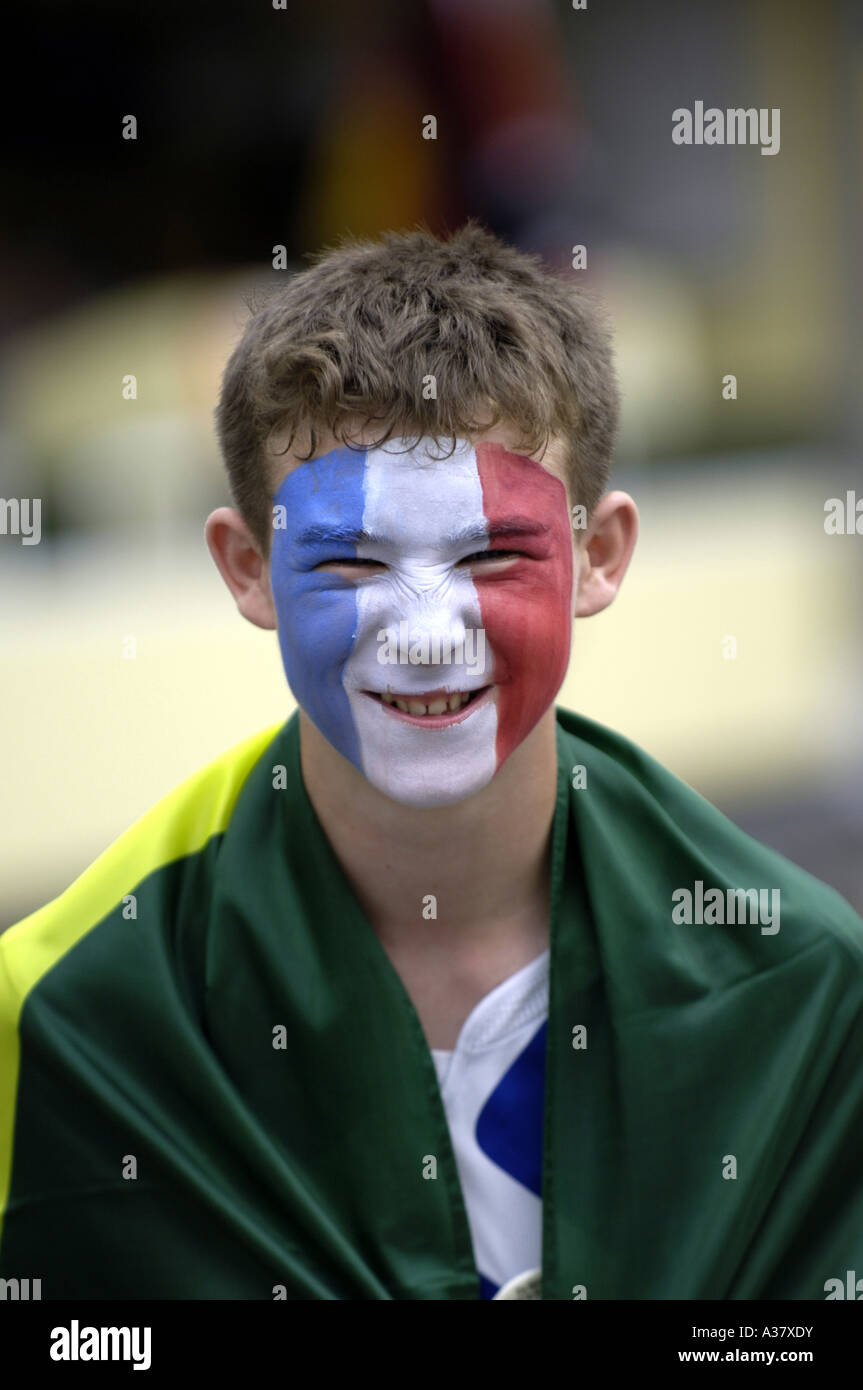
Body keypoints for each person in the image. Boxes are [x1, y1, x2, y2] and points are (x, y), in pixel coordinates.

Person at [1, 221, 862, 1301]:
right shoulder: (82, 1002)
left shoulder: (796, 980)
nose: (421, 633)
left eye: (493, 554)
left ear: (598, 557)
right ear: (248, 568)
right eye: (352, 559)